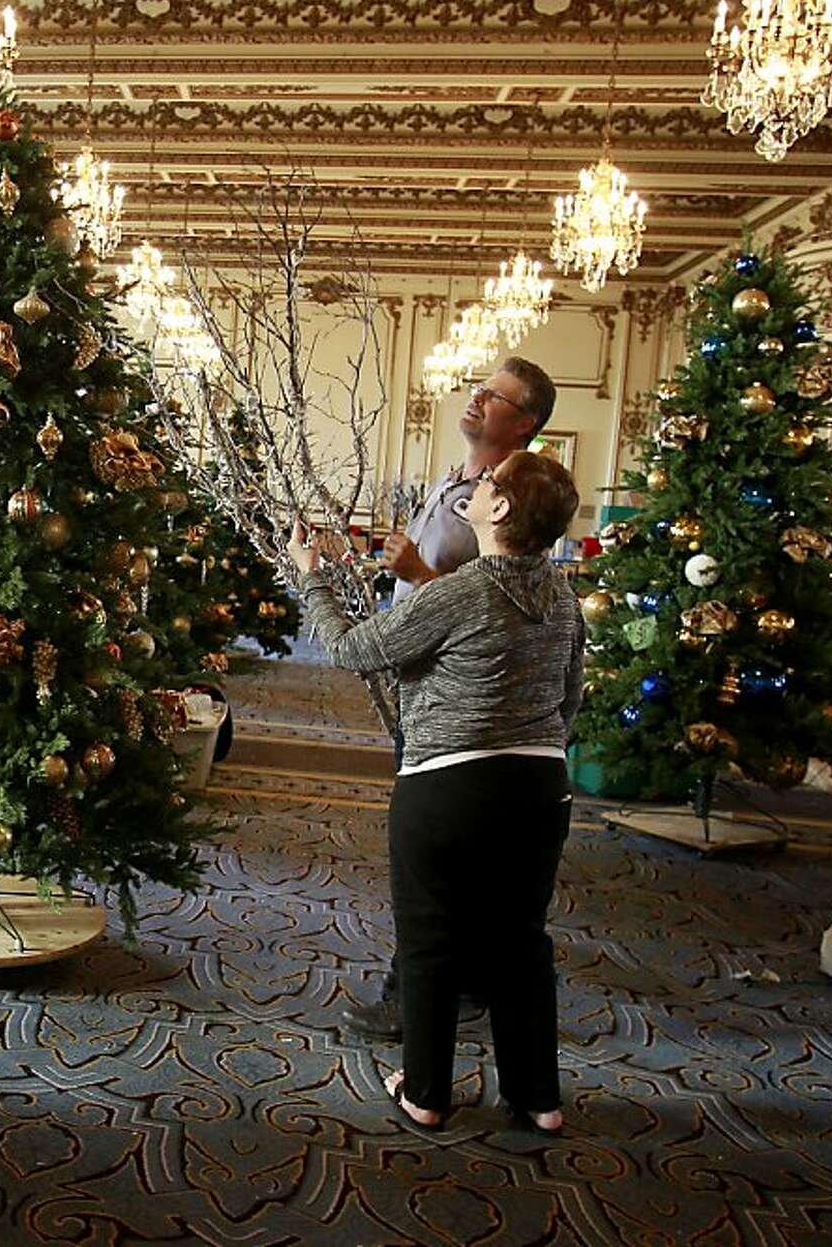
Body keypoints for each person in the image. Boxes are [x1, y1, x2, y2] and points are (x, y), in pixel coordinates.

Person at [288, 449, 584, 1132]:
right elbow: (570, 697)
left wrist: (311, 578)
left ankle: (425, 1092)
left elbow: (352, 650)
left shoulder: (462, 591)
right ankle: (538, 1098)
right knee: (522, 941)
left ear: (500, 509)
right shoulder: (565, 597)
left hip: (451, 783)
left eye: (489, 481)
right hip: (542, 785)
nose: (476, 484)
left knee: (431, 938)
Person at [344, 356, 558, 1042]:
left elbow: (496, 603)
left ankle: (422, 1000)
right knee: (449, 867)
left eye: (496, 396)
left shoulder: (508, 500)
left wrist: (416, 574)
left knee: (435, 871)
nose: (476, 398)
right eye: (480, 388)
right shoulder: (458, 478)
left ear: (523, 423)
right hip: (425, 692)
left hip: (457, 712)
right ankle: (457, 988)